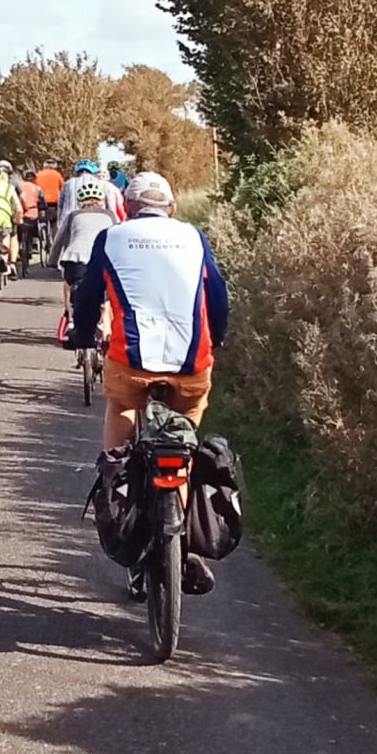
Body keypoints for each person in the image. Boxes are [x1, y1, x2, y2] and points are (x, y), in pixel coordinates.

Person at [72, 171, 228, 596]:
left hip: (131, 363)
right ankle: (183, 539)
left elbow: (87, 296)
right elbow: (218, 297)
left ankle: (118, 485)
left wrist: (83, 332)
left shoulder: (113, 237)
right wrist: (217, 337)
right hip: (191, 364)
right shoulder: (194, 237)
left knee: (121, 412)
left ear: (129, 208)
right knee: (185, 435)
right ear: (172, 209)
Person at [48, 180, 116, 336]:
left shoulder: (73, 216)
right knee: (107, 291)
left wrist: (52, 260)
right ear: (102, 201)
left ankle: (72, 320)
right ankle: (102, 322)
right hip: (103, 261)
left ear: (80, 202)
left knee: (69, 285)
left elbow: (59, 240)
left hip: (76, 260)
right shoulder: (110, 216)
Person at [58, 159, 100, 228]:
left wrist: (59, 221)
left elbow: (60, 205)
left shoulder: (68, 183)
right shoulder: (99, 183)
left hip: (68, 220)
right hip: (92, 219)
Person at [17, 168, 44, 272]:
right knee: (33, 230)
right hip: (32, 215)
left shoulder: (18, 186)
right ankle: (33, 245)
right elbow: (43, 203)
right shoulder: (38, 188)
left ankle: (18, 249)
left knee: (18, 233)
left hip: (19, 215)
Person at [35, 158, 64, 236]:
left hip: (40, 201)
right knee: (54, 222)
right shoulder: (57, 174)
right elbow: (62, 187)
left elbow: (35, 186)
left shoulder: (39, 174)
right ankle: (54, 239)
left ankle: (40, 235)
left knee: (40, 219)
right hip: (53, 202)